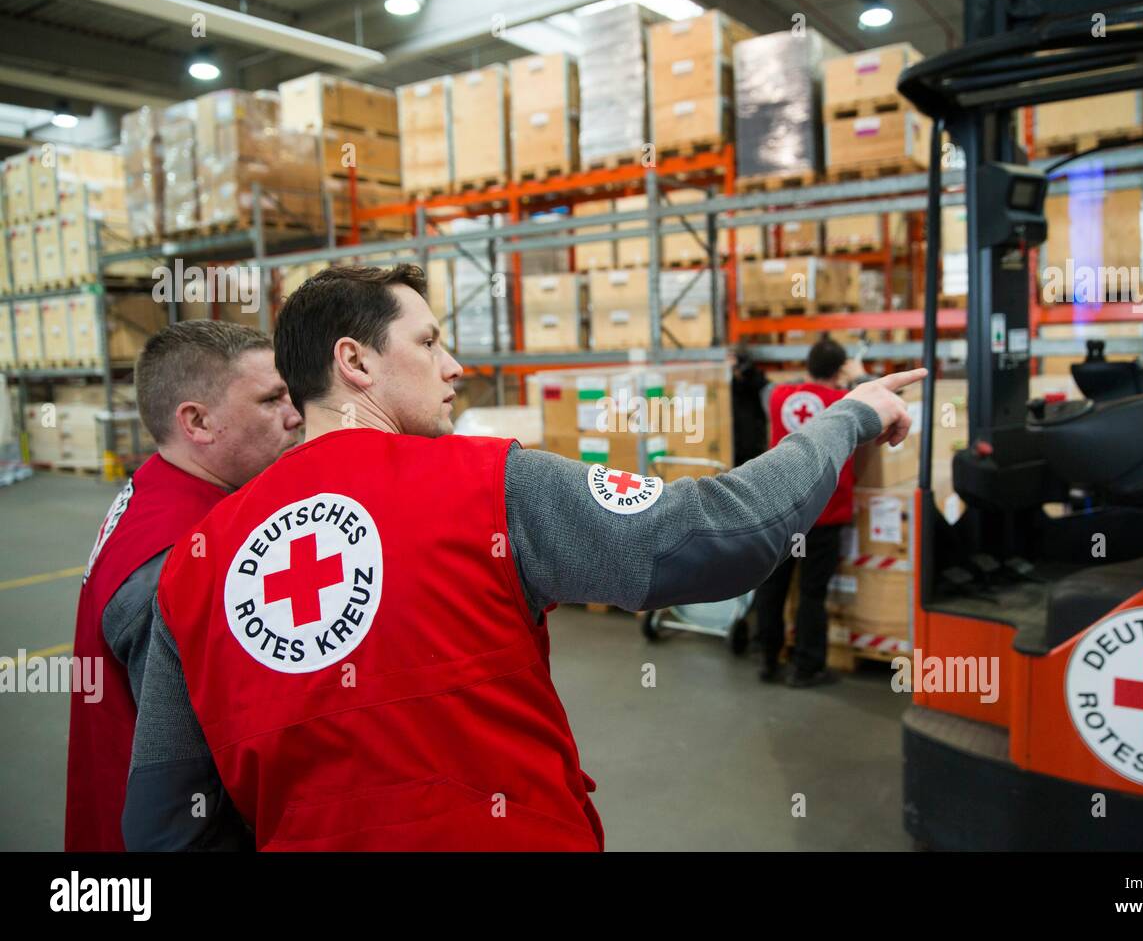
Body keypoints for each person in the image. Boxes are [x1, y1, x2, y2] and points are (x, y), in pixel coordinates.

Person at [122, 264, 924, 851]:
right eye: (428, 342)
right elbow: (719, 534)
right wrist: (846, 417)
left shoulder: (194, 564)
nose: (455, 367)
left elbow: (163, 822)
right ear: (355, 363)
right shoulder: (489, 485)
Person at [65, 320, 302, 851]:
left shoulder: (159, 488)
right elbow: (189, 772)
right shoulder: (179, 558)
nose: (295, 415)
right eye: (271, 400)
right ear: (197, 422)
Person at [754, 338, 870, 688]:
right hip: (823, 514)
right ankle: (807, 668)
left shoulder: (778, 397)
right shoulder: (845, 403)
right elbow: (880, 402)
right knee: (811, 593)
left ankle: (768, 660)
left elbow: (774, 388)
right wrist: (858, 375)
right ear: (840, 369)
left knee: (772, 588)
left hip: (781, 511)